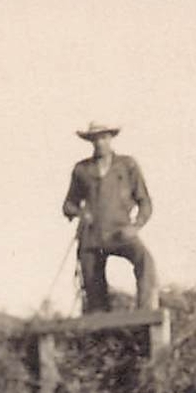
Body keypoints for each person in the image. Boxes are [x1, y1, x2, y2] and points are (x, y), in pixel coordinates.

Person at [62, 122, 158, 314]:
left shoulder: (127, 165)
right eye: (95, 139)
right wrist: (80, 213)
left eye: (104, 137)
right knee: (92, 286)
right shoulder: (81, 169)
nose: (100, 143)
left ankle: (147, 312)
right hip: (92, 237)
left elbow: (145, 202)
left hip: (119, 231)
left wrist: (136, 225)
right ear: (90, 142)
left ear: (111, 138)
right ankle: (99, 329)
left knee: (145, 260)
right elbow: (68, 205)